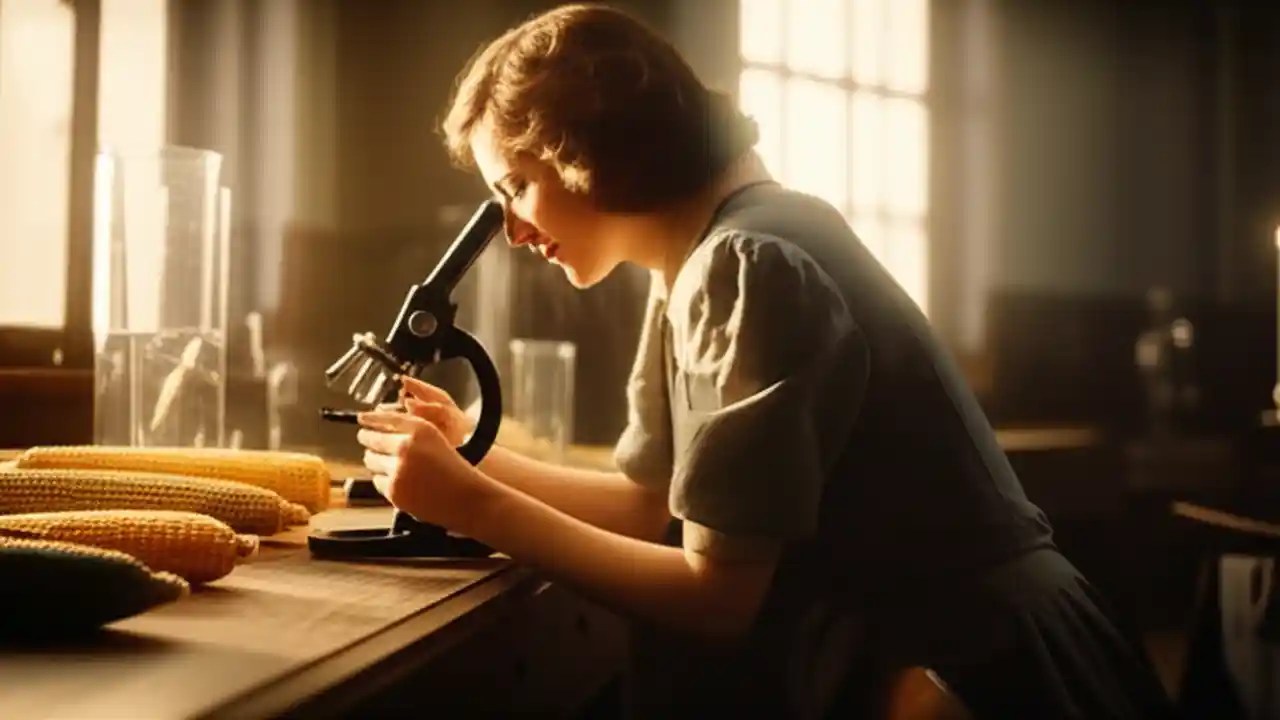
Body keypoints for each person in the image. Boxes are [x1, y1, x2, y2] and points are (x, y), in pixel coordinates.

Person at [355, 4, 1177, 718]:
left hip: (973, 667)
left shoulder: (743, 264)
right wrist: (476, 451)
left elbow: (719, 596)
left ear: (586, 148)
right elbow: (657, 505)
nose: (513, 229)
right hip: (952, 645)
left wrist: (474, 504)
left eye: (517, 187)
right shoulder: (694, 260)